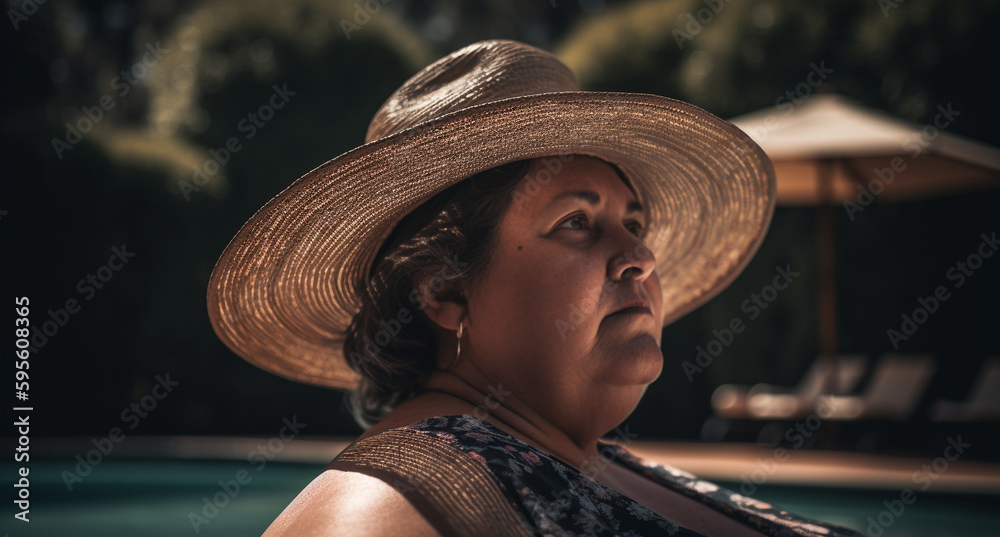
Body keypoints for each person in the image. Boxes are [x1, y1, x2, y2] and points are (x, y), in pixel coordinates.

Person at [208, 40, 863, 536]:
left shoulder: (576, 458)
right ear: (442, 289)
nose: (638, 255)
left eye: (634, 224)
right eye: (576, 222)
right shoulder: (391, 505)